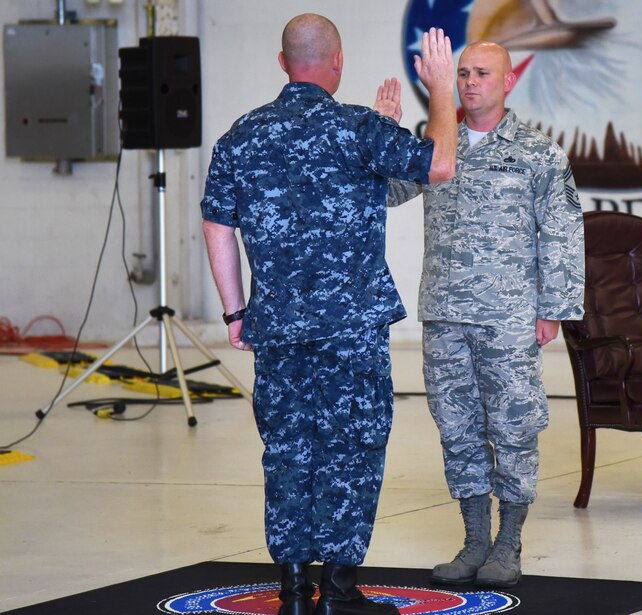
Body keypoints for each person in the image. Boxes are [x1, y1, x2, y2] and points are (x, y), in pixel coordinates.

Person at [200, 13, 457, 615]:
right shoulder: (358, 130)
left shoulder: (242, 136)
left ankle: (292, 590)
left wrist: (237, 311)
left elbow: (217, 224)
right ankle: (339, 591)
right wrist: (441, 90)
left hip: (278, 329)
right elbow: (440, 164)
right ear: (336, 63)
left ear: (282, 62)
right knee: (352, 448)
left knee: (287, 449)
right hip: (349, 331)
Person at [388, 41, 584, 588]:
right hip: (444, 313)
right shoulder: (435, 145)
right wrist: (386, 135)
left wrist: (555, 310)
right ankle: (474, 539)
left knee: (515, 426)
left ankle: (509, 542)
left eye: (482, 73)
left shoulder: (537, 153)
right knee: (456, 427)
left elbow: (564, 235)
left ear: (508, 81)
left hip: (510, 314)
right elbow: (386, 194)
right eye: (463, 73)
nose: (470, 82)